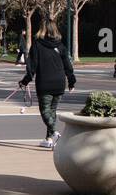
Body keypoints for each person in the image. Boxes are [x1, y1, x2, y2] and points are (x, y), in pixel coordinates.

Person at [20, 19, 76, 149]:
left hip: (45, 82)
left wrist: (25, 81)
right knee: (52, 111)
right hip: (59, 82)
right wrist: (71, 81)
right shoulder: (60, 46)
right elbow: (68, 66)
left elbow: (31, 67)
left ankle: (55, 133)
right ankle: (49, 139)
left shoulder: (37, 45)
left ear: (42, 29)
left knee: (45, 111)